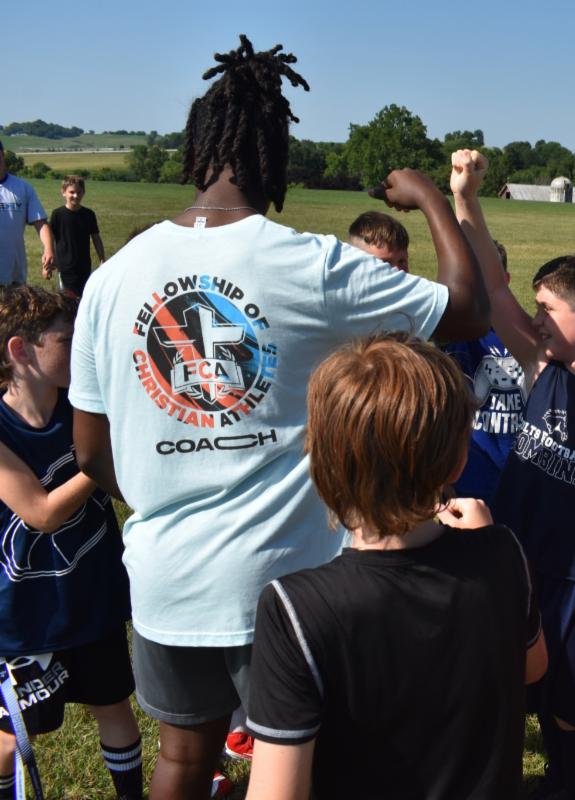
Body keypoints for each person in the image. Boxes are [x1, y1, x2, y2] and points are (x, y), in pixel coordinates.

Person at [68, 37, 487, 800]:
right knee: (304, 767)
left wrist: (176, 482)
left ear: (198, 149)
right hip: (289, 584)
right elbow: (465, 308)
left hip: (164, 577)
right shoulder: (308, 264)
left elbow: (91, 451)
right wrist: (430, 196)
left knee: (182, 760)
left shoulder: (112, 278)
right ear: (278, 157)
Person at [244, 333, 545, 799]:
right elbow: (533, 666)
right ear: (459, 459)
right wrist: (484, 547)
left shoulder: (296, 609)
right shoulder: (504, 553)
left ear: (323, 459)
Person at [450, 148, 575, 799]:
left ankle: (574, 785)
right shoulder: (541, 361)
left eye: (547, 306)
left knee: (573, 709)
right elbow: (492, 284)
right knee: (512, 690)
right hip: (522, 562)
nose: (533, 317)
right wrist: (465, 198)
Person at [0, 286, 140, 800]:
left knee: (114, 706)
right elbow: (40, 513)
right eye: (67, 339)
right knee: (10, 738)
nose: (82, 348)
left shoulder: (84, 408)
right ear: (21, 351)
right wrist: (98, 461)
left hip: (93, 595)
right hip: (26, 617)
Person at [443, 239, 527, 504]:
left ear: (505, 280)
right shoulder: (454, 333)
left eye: (487, 278)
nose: (478, 286)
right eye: (471, 277)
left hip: (522, 476)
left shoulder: (527, 334)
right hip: (469, 476)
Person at [0, 141, 53, 286]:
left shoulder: (22, 187)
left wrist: (49, 249)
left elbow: (40, 222)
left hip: (14, 274)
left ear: (2, 155)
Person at [48, 175, 106, 298]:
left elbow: (96, 237)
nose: (75, 196)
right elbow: (50, 239)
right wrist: (50, 262)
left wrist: (102, 258)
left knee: (84, 298)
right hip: (65, 267)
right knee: (66, 300)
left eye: (79, 192)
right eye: (72, 192)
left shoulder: (89, 214)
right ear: (63, 192)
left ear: (83, 192)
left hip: (84, 266)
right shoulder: (58, 214)